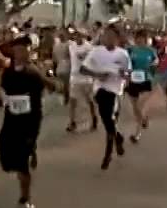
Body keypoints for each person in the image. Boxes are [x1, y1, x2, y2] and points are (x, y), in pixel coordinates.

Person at [0, 34, 56, 208]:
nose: (22, 53)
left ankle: (26, 198)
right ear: (13, 52)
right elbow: (1, 90)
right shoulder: (7, 71)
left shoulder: (34, 71)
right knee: (3, 148)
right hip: (11, 117)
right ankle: (30, 151)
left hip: (30, 119)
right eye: (18, 50)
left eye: (25, 50)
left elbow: (53, 87)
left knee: (22, 162)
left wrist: (42, 76)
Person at [80, 24, 130, 170]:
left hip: (115, 91)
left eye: (112, 36)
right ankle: (118, 137)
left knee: (109, 120)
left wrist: (123, 74)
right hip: (99, 90)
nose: (108, 39)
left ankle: (108, 154)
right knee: (108, 121)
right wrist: (97, 75)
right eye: (106, 36)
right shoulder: (96, 52)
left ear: (117, 39)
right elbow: (83, 69)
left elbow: (128, 74)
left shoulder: (123, 54)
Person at [126, 29, 158, 143]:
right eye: (137, 38)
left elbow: (156, 60)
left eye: (141, 38)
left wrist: (153, 64)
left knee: (139, 105)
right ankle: (143, 119)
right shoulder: (130, 50)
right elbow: (126, 63)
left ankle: (137, 133)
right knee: (135, 108)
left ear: (145, 39)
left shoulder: (150, 50)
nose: (139, 40)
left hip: (146, 79)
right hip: (133, 80)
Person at [66, 28, 98, 132]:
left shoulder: (89, 47)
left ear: (83, 36)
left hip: (86, 79)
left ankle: (94, 118)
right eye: (76, 35)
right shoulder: (71, 46)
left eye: (79, 35)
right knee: (72, 101)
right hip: (74, 78)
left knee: (90, 101)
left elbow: (92, 61)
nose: (77, 36)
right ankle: (72, 122)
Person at [52, 28, 71, 105]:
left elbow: (54, 58)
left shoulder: (56, 45)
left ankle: (65, 97)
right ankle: (66, 97)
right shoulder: (70, 44)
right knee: (66, 84)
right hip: (67, 66)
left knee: (63, 84)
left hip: (59, 67)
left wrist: (54, 68)